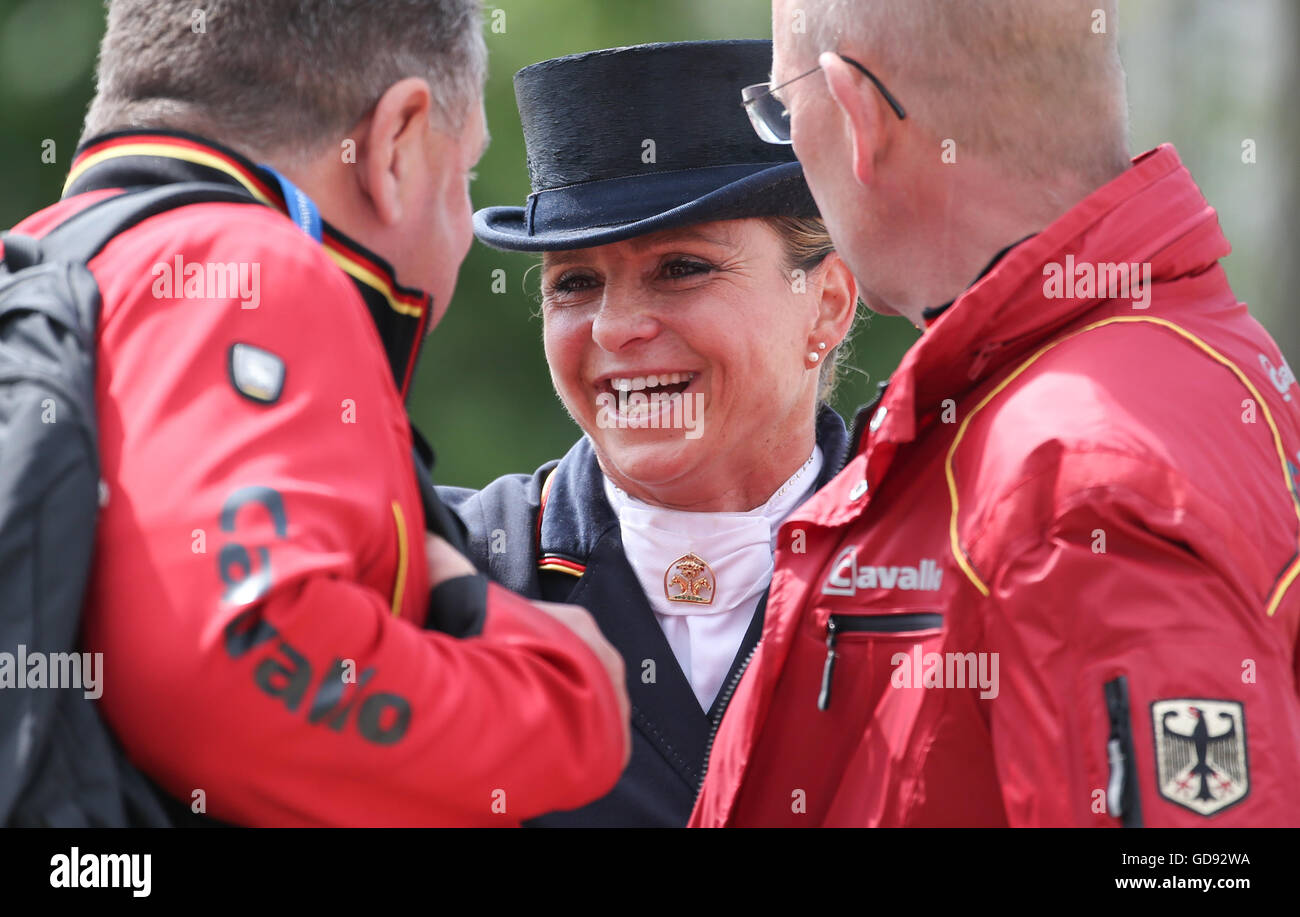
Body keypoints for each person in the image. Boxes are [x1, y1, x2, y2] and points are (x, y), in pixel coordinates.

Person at [6, 0, 629, 826]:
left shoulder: (44, 267)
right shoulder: (244, 263)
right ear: (397, 145)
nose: (463, 229)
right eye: (466, 173)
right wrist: (566, 692)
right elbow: (231, 665)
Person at [693, 0, 1300, 826]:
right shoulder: (1174, 365)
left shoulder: (1076, 478)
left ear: (856, 115)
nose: (791, 148)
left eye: (781, 112)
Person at [442, 39, 859, 826]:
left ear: (828, 304)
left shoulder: (945, 566)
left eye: (681, 267)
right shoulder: (441, 570)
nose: (617, 327)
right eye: (575, 282)